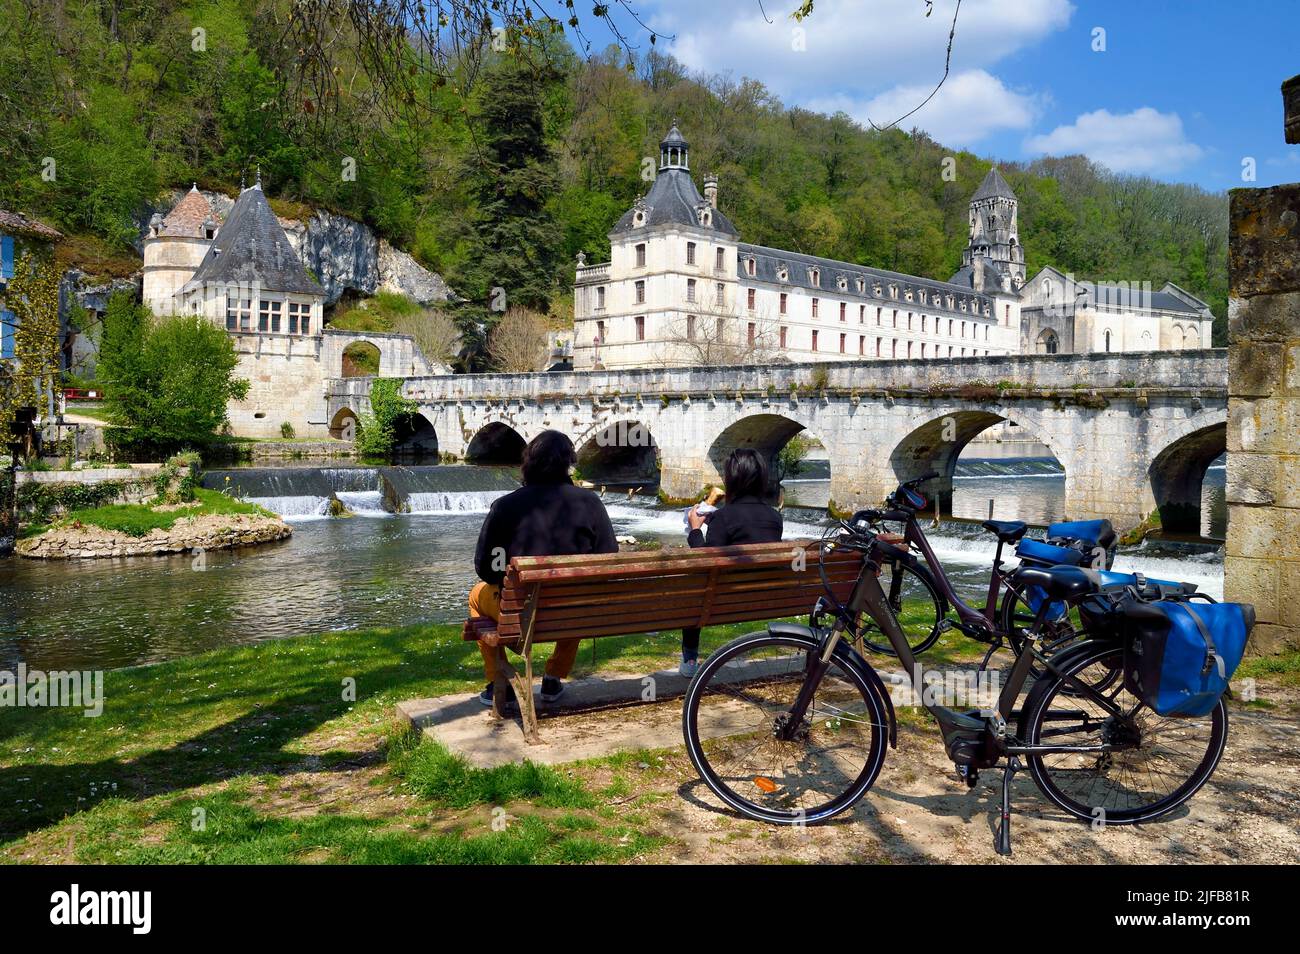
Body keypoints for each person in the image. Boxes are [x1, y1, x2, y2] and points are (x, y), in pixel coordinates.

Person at [469, 430, 618, 708]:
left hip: (520, 613)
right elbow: (608, 559)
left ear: (528, 463)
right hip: (574, 611)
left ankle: (496, 681)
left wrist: (503, 579)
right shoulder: (591, 503)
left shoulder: (506, 506)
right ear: (567, 463)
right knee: (577, 591)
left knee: (476, 596)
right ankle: (553, 676)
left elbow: (485, 568)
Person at [681, 448, 783, 677]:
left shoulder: (723, 517)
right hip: (769, 598)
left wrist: (696, 529)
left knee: (694, 592)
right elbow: (750, 533)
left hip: (721, 600)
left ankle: (689, 661)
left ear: (731, 479)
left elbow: (705, 562)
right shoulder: (775, 517)